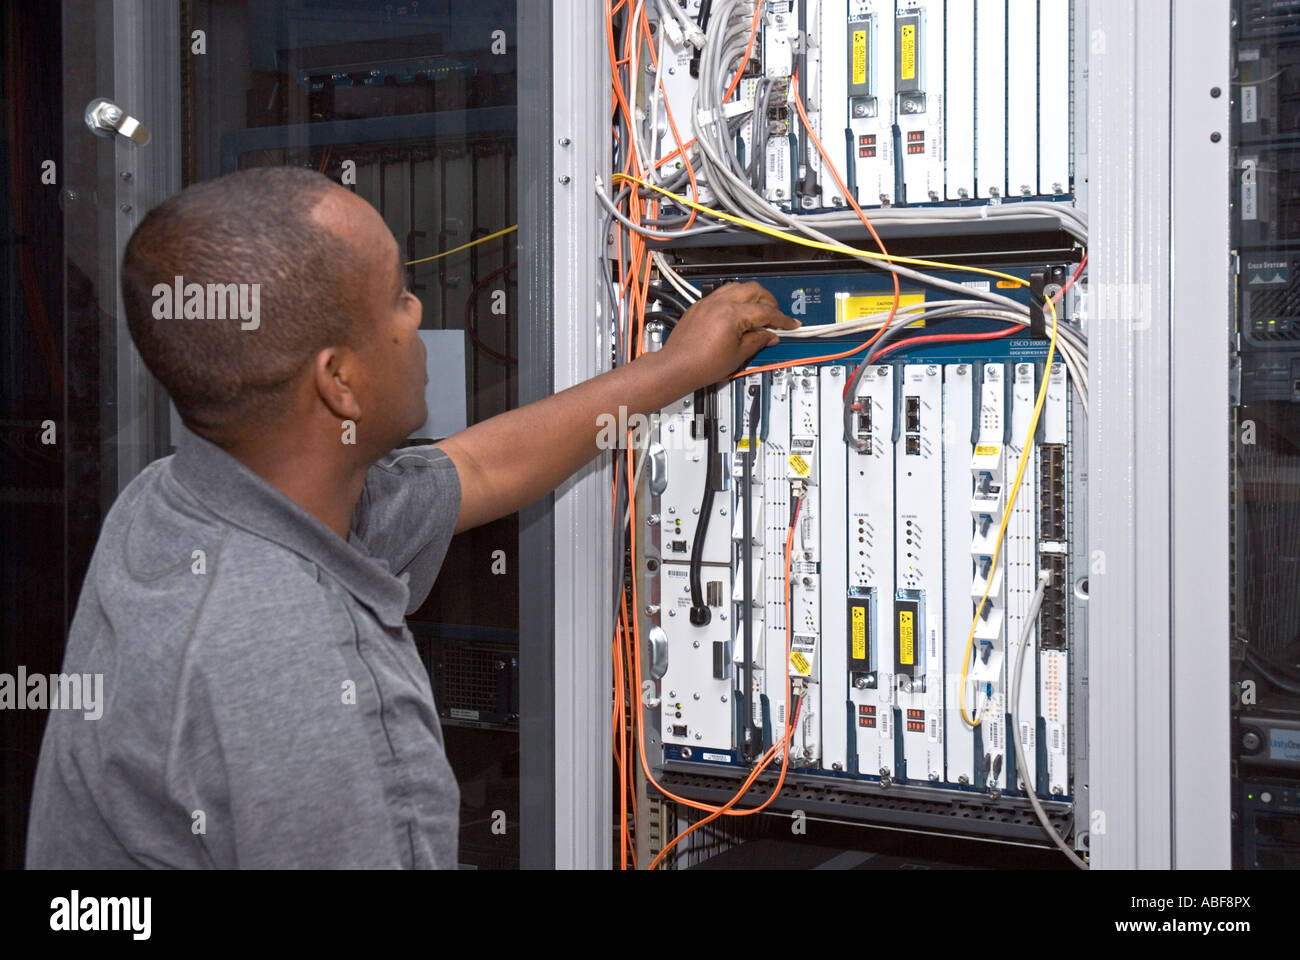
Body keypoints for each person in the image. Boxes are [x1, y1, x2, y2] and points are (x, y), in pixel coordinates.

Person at [25, 166, 797, 868]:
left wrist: (676, 368)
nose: (419, 306)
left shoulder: (177, 502)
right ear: (340, 383)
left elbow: (479, 467)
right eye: (398, 293)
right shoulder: (328, 696)